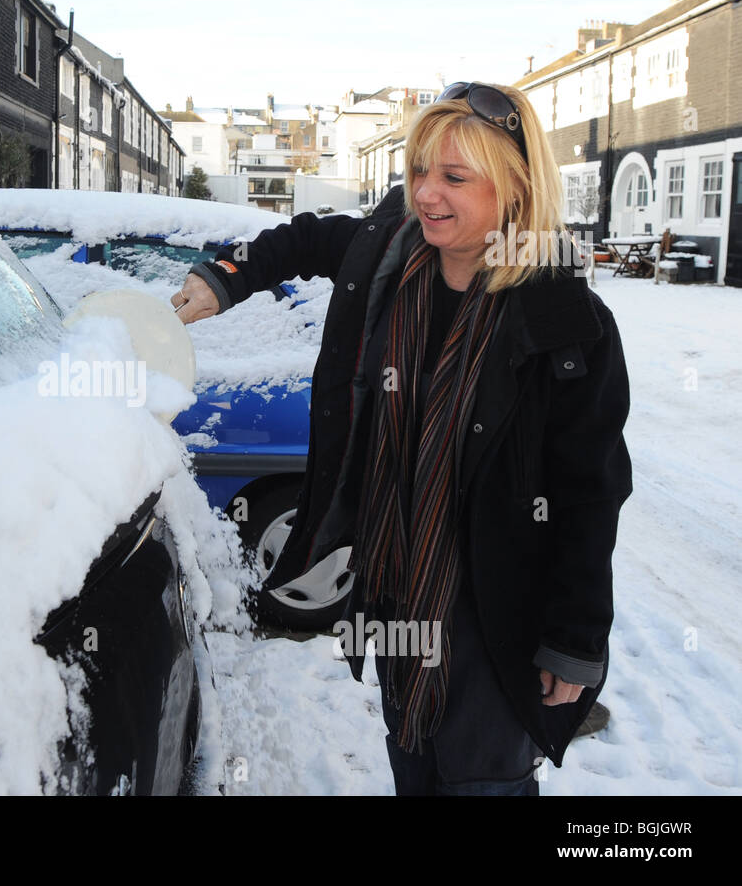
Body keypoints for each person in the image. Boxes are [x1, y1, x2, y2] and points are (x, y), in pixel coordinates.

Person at [171, 82, 633, 795]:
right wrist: (228, 278)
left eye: (454, 177)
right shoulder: (388, 257)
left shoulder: (567, 322)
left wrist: (574, 640)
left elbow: (591, 491)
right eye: (419, 171)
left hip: (493, 616)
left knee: (484, 783)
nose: (426, 193)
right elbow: (305, 236)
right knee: (411, 765)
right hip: (394, 593)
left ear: (514, 185)